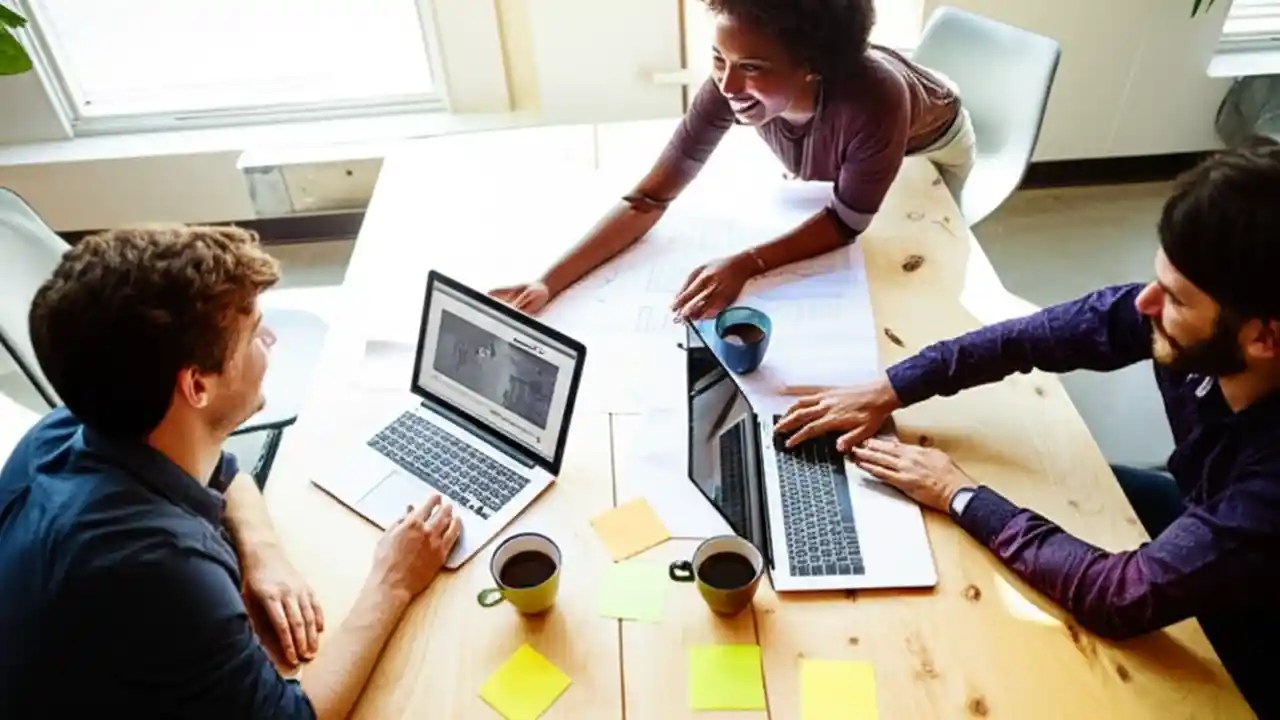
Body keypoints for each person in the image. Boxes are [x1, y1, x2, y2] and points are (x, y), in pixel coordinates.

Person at [774, 143, 1280, 716]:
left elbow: (1118, 596)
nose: (1144, 302)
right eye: (1156, 275)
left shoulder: (1268, 494)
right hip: (1202, 511)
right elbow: (1037, 336)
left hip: (1250, 643)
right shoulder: (1195, 325)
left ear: (1263, 339)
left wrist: (957, 492)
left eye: (1178, 299)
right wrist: (891, 386)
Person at [0, 226, 462, 719]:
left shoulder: (75, 423)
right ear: (196, 385)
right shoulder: (156, 567)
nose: (272, 337)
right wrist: (391, 582)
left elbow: (225, 471)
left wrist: (264, 553)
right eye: (253, 334)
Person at [490, 0, 975, 322]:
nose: (727, 84)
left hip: (929, 145)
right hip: (854, 134)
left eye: (752, 68)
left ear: (812, 64)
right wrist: (546, 282)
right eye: (718, 58)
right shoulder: (730, 84)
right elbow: (648, 197)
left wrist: (746, 263)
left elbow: (847, 221)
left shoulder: (876, 99)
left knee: (923, 284)